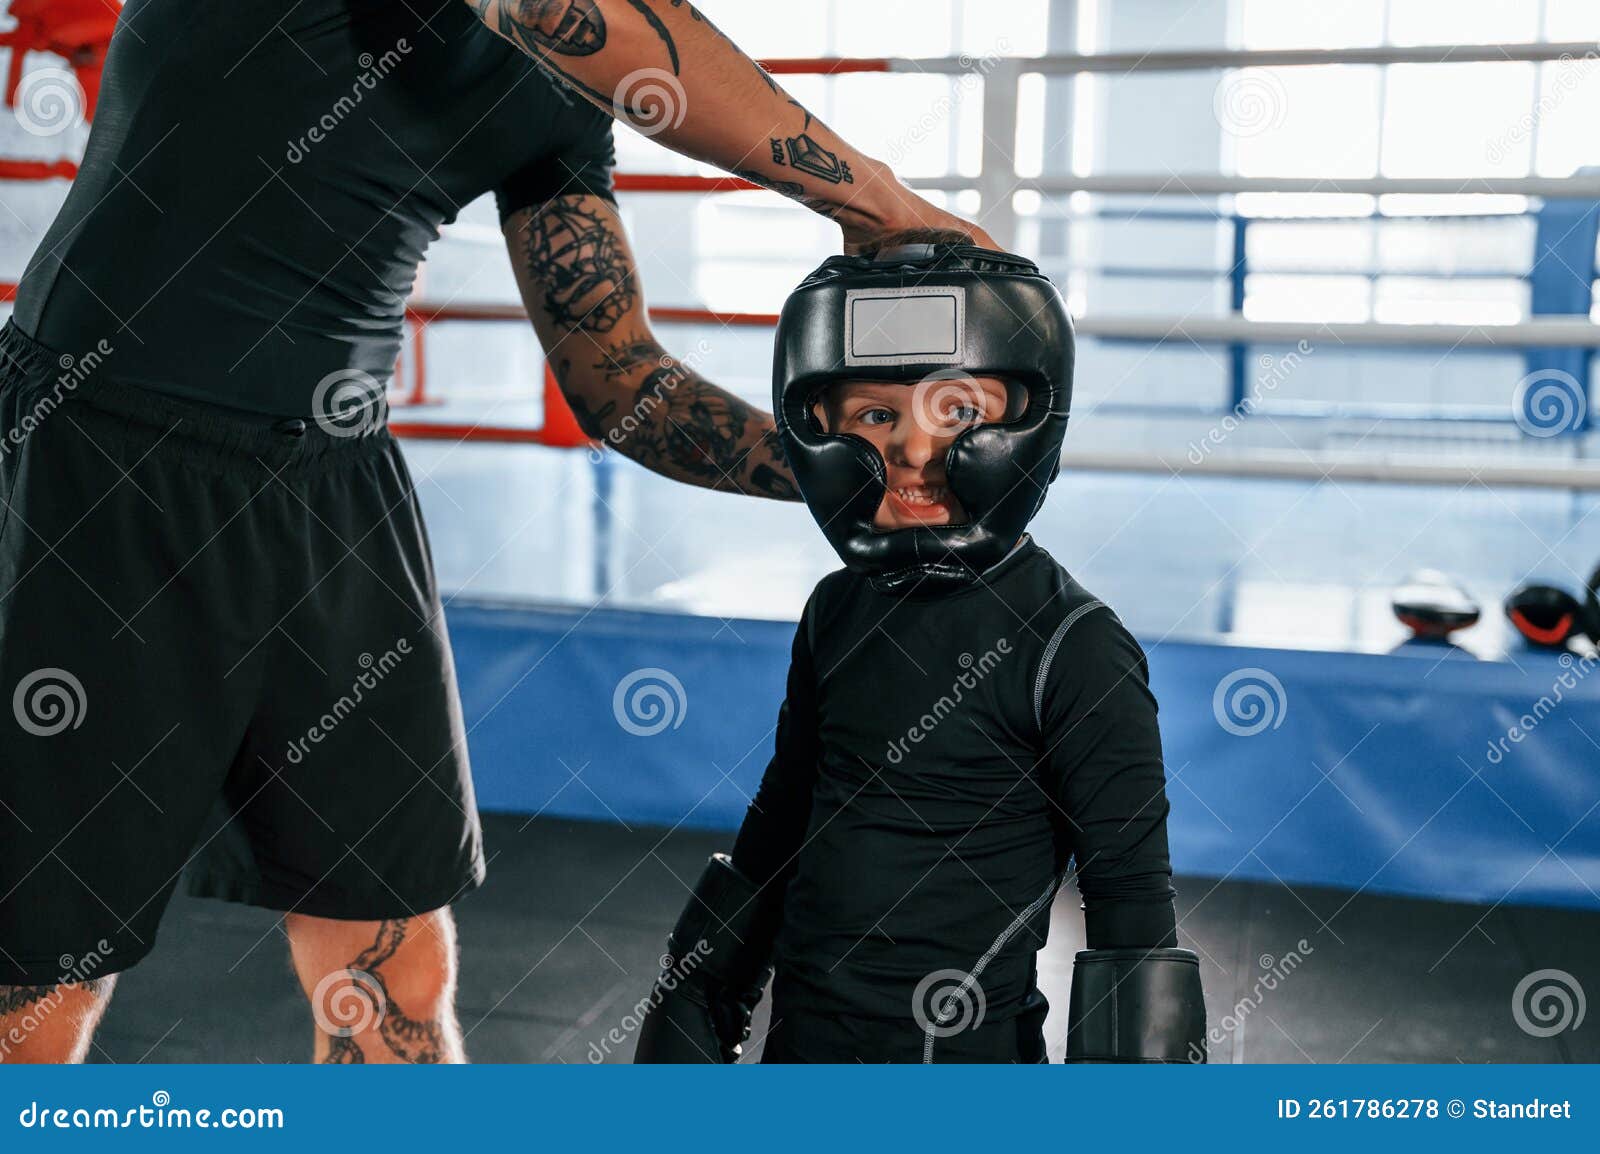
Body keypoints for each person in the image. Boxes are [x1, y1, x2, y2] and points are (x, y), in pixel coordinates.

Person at [0, 0, 992, 1064]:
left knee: (394, 967)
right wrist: (874, 197)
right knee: (38, 983)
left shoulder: (565, 92)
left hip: (331, 488)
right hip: (99, 451)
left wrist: (852, 474)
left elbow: (621, 383)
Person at [633, 241, 1206, 1063]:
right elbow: (779, 825)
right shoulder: (837, 608)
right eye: (876, 416)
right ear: (820, 426)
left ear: (1024, 418)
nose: (913, 450)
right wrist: (697, 991)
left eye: (958, 413)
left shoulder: (1074, 645)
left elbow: (1132, 909)